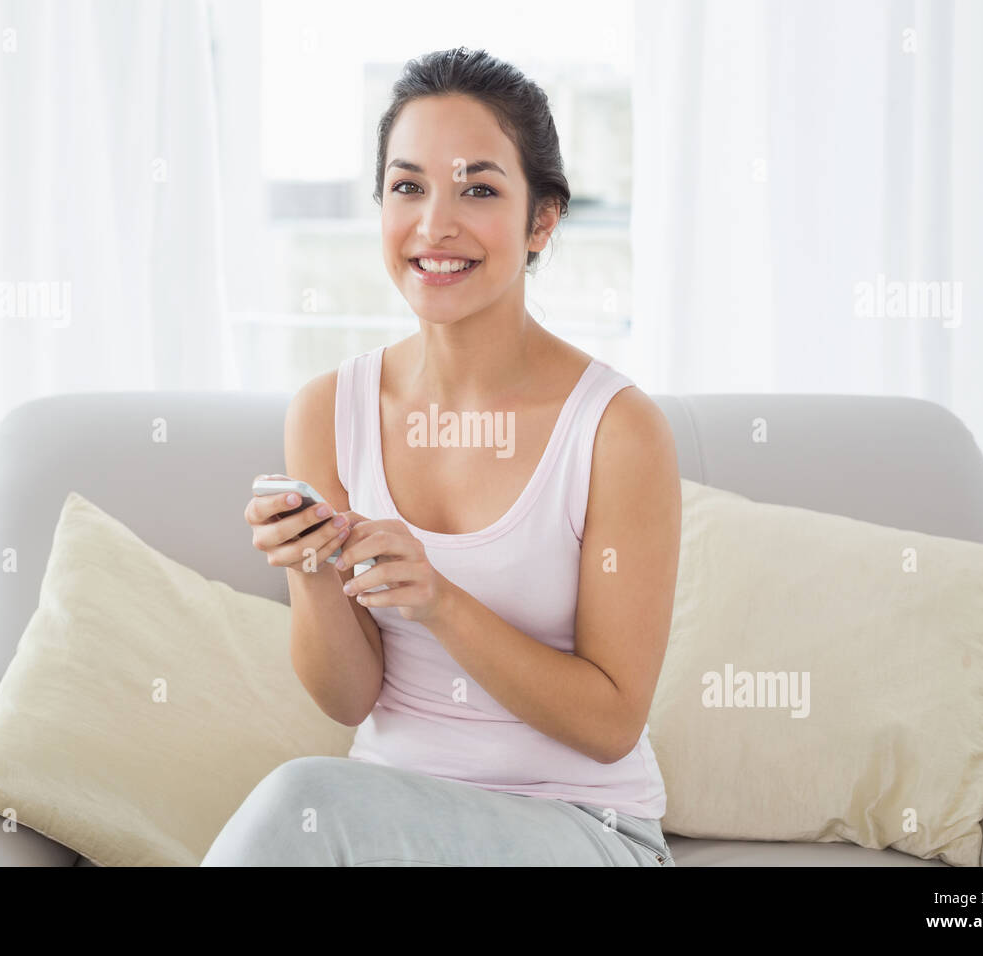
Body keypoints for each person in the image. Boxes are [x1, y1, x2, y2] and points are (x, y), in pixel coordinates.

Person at [203, 47, 681, 867]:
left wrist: (440, 600)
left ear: (542, 220)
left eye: (480, 189)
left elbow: (611, 725)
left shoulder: (615, 428)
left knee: (297, 800)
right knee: (312, 807)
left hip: (583, 829)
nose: (434, 225)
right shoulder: (329, 411)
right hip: (384, 824)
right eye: (408, 186)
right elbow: (350, 699)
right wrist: (312, 567)